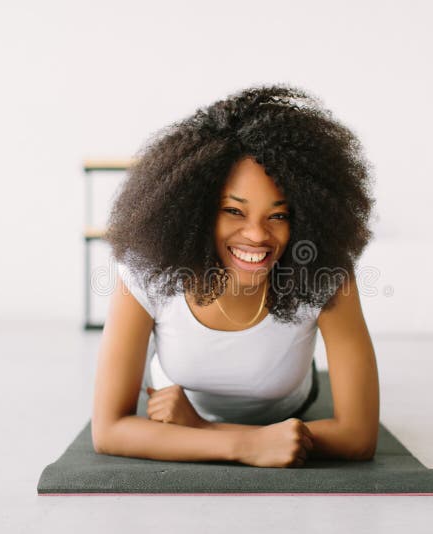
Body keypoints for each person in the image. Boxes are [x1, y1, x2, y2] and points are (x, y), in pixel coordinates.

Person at [91, 85, 379, 468]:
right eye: (234, 211)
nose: (258, 235)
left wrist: (203, 431)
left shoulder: (324, 275)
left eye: (279, 215)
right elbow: (109, 429)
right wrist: (247, 447)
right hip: (173, 409)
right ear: (195, 210)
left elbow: (358, 436)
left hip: (277, 407)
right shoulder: (148, 271)